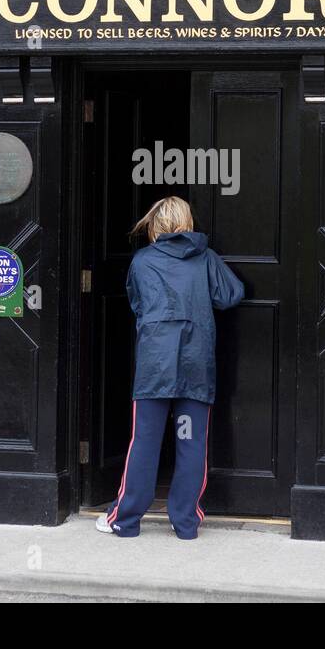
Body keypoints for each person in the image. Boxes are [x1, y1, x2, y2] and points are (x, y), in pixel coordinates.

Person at [97, 196, 244, 539]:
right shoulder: (205, 258)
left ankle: (126, 520)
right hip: (195, 365)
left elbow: (137, 303)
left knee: (144, 442)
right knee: (190, 442)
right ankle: (185, 523)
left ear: (155, 225)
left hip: (155, 365)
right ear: (187, 221)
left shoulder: (143, 261)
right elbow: (231, 294)